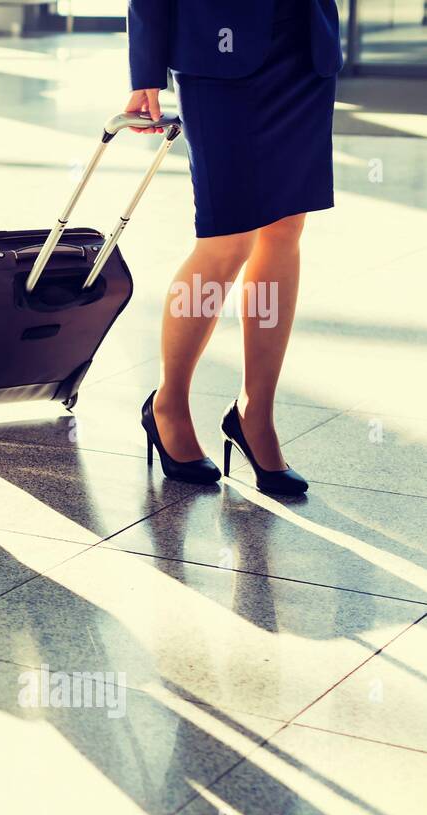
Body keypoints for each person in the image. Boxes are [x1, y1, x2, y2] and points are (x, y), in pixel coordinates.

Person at [127, 0, 342, 495]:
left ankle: (255, 413)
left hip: (304, 48)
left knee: (285, 229)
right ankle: (169, 404)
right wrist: (146, 71)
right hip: (216, 51)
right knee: (228, 238)